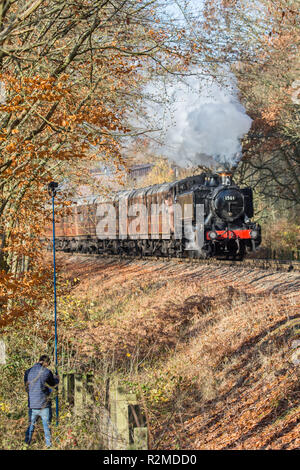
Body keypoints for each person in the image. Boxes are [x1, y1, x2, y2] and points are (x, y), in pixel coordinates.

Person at [24, 355, 59, 448]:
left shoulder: (27, 372)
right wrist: (57, 378)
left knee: (31, 426)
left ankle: (26, 444)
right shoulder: (47, 372)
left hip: (32, 404)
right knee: (47, 427)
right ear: (46, 363)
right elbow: (53, 383)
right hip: (44, 404)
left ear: (38, 360)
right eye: (48, 364)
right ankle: (49, 445)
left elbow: (27, 388)